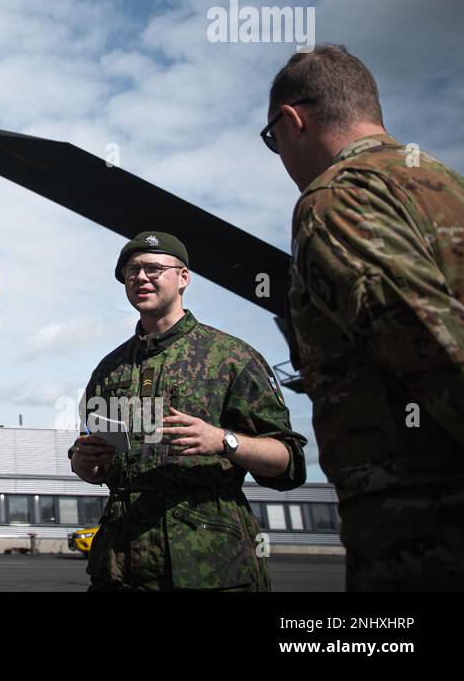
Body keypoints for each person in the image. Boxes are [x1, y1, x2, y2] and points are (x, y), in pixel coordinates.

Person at [265, 43, 464, 590]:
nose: (279, 155)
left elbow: (431, 347)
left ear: (292, 120)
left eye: (271, 140)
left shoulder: (333, 199)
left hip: (424, 525)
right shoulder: (447, 188)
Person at [71, 231, 307, 590]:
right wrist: (85, 463)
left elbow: (289, 462)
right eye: (131, 271)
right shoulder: (110, 368)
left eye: (153, 268)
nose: (140, 278)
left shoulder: (231, 358)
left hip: (210, 569)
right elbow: (98, 453)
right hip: (119, 570)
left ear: (183, 277)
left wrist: (224, 441)